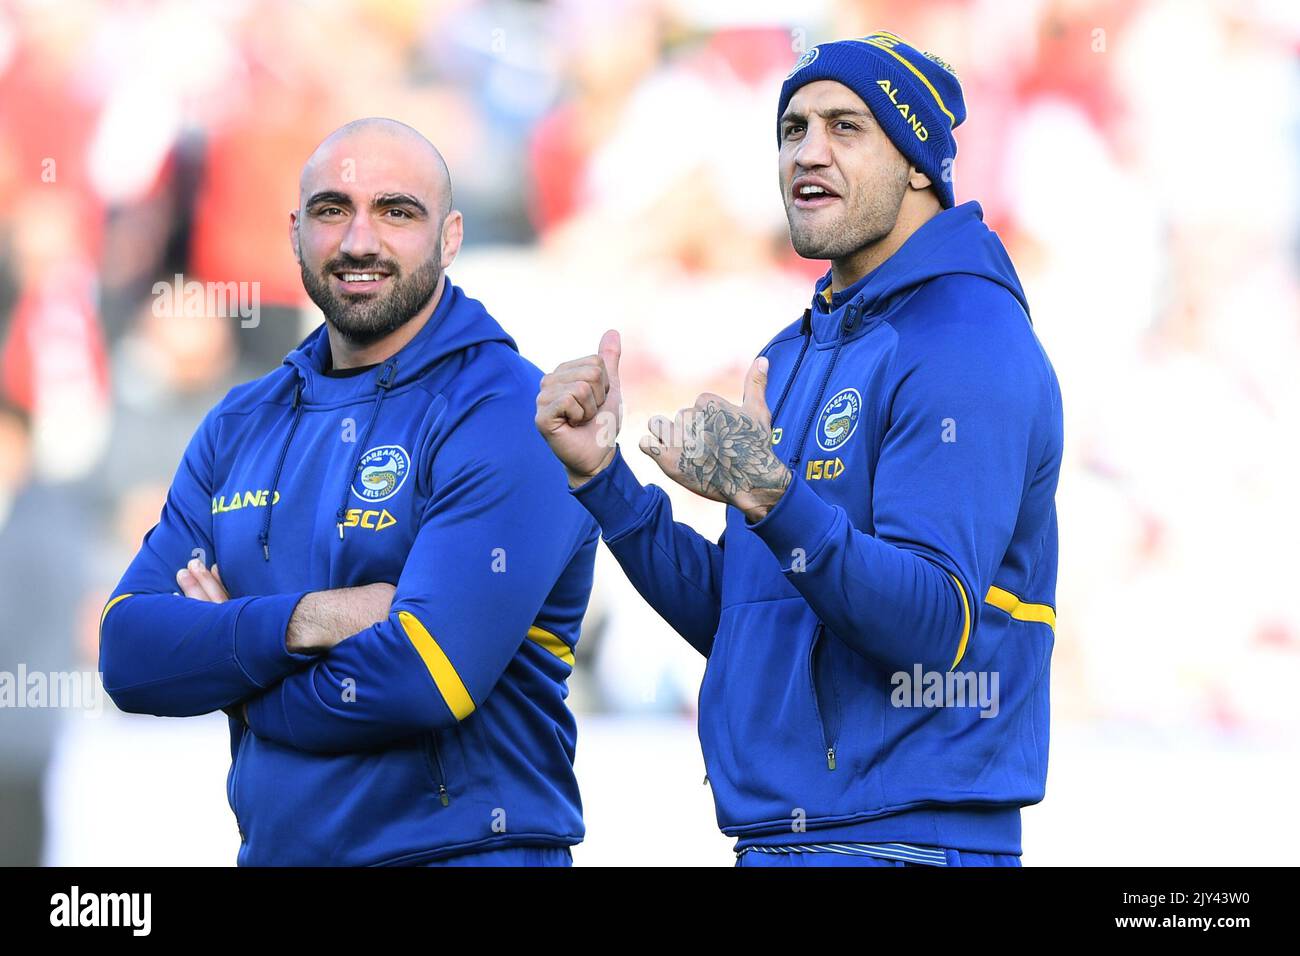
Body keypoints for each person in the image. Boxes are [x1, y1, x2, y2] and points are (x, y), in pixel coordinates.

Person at [537, 33, 1063, 867]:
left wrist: (773, 496)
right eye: (792, 129)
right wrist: (609, 486)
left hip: (907, 846)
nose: (806, 152)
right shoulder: (795, 349)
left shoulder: (966, 339)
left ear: (920, 161)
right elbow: (750, 621)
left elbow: (933, 625)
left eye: (846, 127)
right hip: (786, 840)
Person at [101, 118, 599, 867]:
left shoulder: (510, 414)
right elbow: (129, 653)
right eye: (334, 210)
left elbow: (426, 677)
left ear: (451, 236)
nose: (360, 241)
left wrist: (231, 666)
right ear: (296, 232)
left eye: (397, 211)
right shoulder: (240, 424)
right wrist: (306, 622)